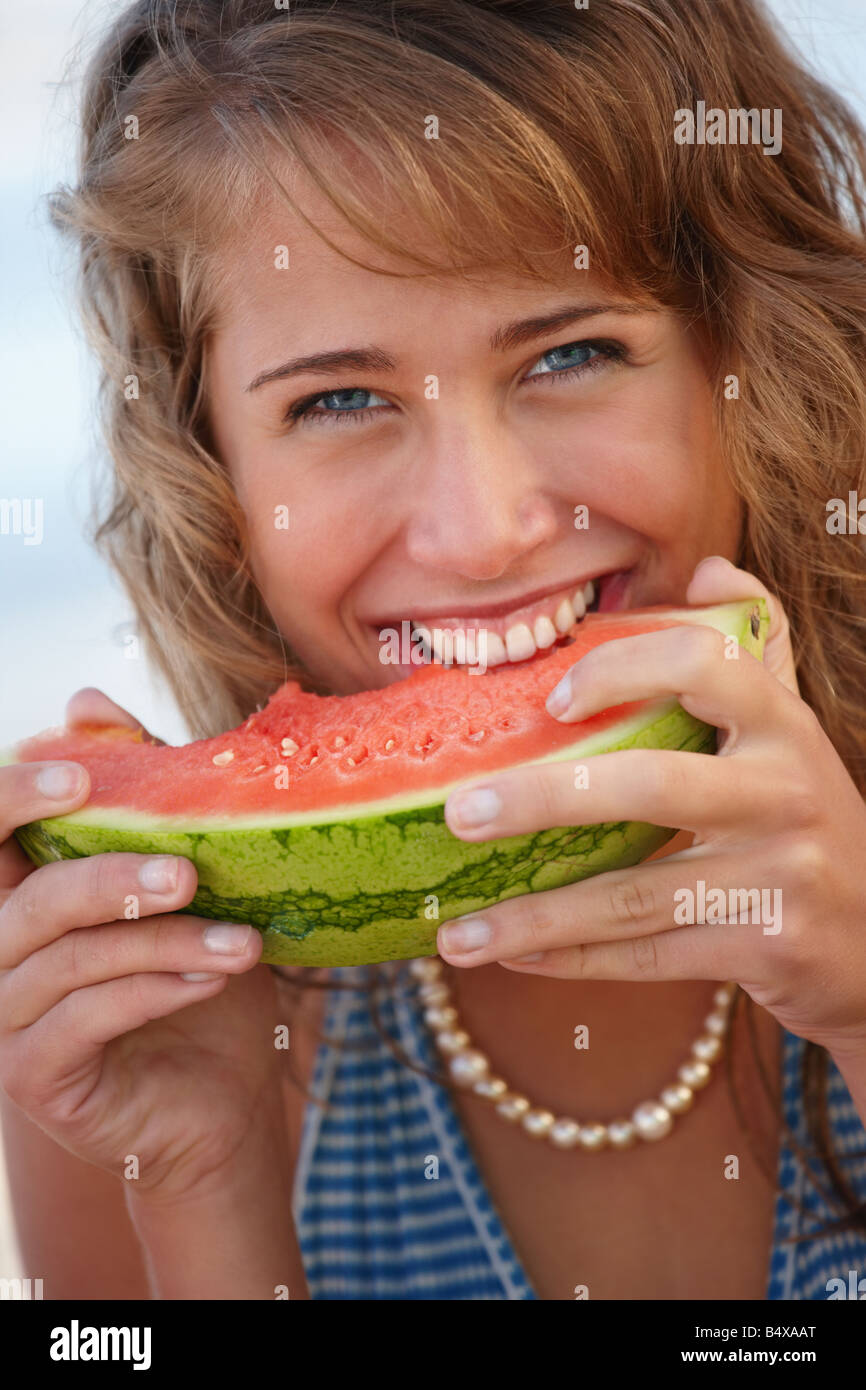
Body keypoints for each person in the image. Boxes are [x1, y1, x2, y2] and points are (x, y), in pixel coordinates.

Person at [2, 0, 866, 1301]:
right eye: (338, 399)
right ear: (211, 477)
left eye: (572, 352)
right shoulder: (135, 1029)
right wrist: (205, 1181)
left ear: (746, 357)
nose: (481, 531)